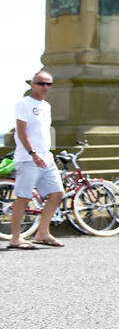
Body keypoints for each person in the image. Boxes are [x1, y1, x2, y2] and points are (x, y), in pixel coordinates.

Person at [8, 71, 64, 249]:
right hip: (28, 159)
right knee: (23, 197)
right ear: (32, 84)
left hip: (46, 158)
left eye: (49, 84)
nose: (45, 87)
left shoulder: (46, 106)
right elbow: (22, 132)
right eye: (41, 83)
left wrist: (46, 153)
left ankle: (43, 233)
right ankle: (15, 238)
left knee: (57, 194)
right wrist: (33, 153)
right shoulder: (23, 104)